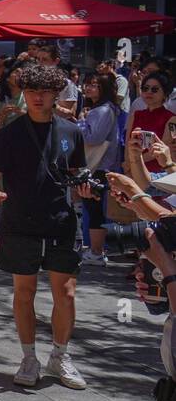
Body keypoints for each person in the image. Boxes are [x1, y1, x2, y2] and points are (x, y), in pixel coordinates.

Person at [0, 62, 92, 390]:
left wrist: (83, 188)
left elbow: (78, 174)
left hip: (61, 221)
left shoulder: (71, 132)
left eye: (44, 92)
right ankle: (28, 356)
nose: (37, 97)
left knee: (66, 292)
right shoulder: (9, 133)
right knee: (24, 291)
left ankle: (60, 355)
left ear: (55, 94)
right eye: (31, 91)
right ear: (23, 92)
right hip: (21, 221)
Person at [75, 71, 124, 266]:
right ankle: (94, 249)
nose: (88, 88)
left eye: (93, 85)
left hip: (98, 165)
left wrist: (78, 123)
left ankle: (96, 251)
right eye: (87, 84)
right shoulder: (104, 108)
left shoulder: (103, 110)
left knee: (94, 208)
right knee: (93, 207)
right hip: (100, 165)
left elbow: (94, 138)